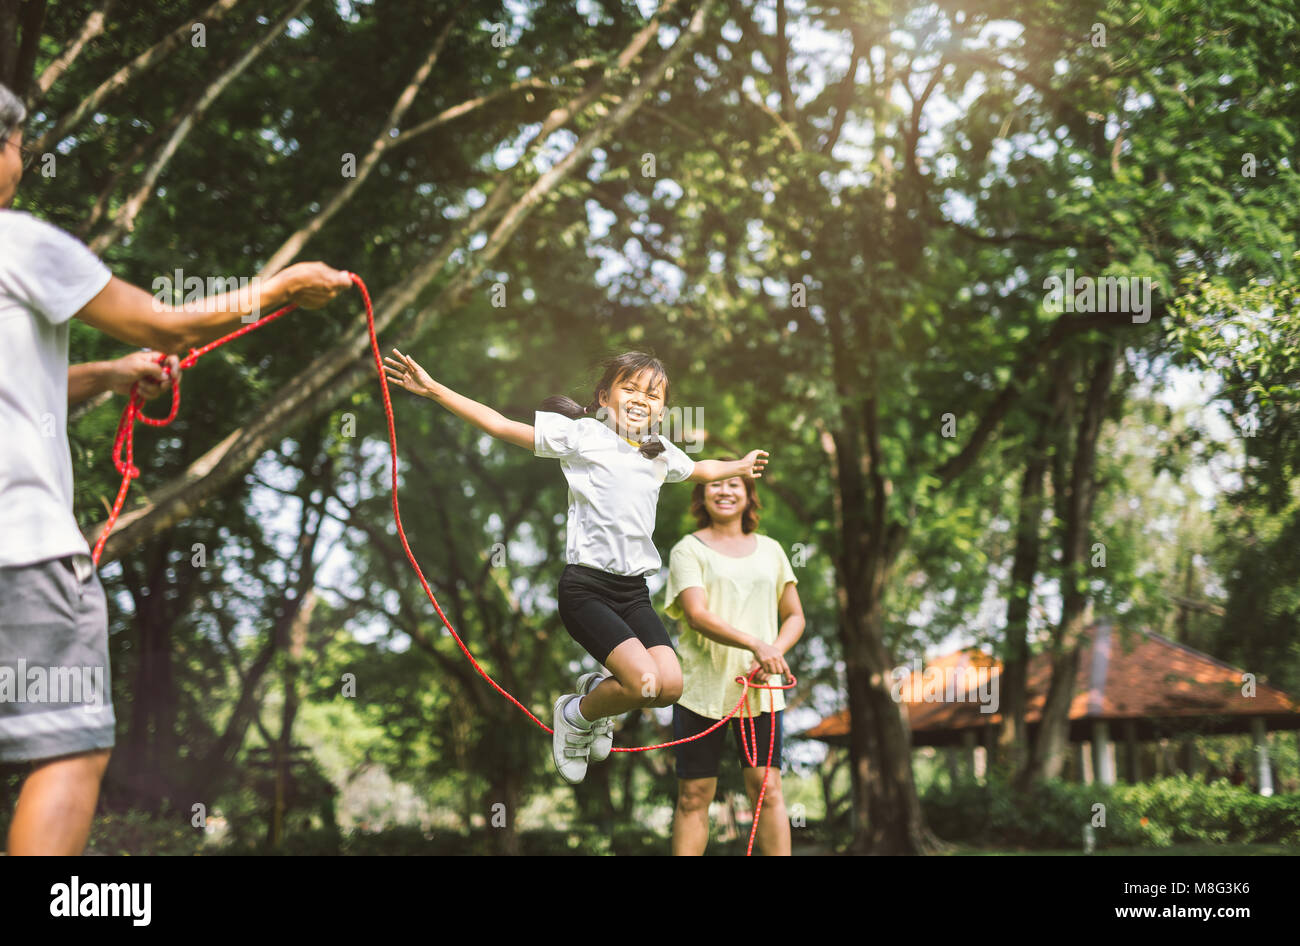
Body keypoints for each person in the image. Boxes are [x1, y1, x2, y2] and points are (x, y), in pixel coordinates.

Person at [0, 81, 353, 854]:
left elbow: (22, 385)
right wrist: (284, 290)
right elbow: (167, 317)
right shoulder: (16, 242)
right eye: (19, 142)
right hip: (19, 549)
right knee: (67, 750)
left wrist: (109, 374)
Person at [381, 348, 770, 784]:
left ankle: (596, 693)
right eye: (631, 388)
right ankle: (575, 714)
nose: (642, 398)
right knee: (642, 680)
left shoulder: (660, 451)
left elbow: (699, 469)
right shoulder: (583, 435)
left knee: (670, 687)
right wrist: (433, 390)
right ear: (604, 396)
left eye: (653, 394)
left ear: (663, 408)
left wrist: (738, 465)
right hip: (587, 590)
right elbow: (502, 425)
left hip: (634, 592)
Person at [663, 467, 805, 855]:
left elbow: (795, 615)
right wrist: (757, 644)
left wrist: (773, 649)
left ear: (748, 494)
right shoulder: (687, 549)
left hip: (761, 691)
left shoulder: (772, 550)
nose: (724, 491)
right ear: (702, 496)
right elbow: (696, 614)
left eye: (733, 484)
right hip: (700, 690)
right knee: (694, 794)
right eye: (715, 484)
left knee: (768, 789)